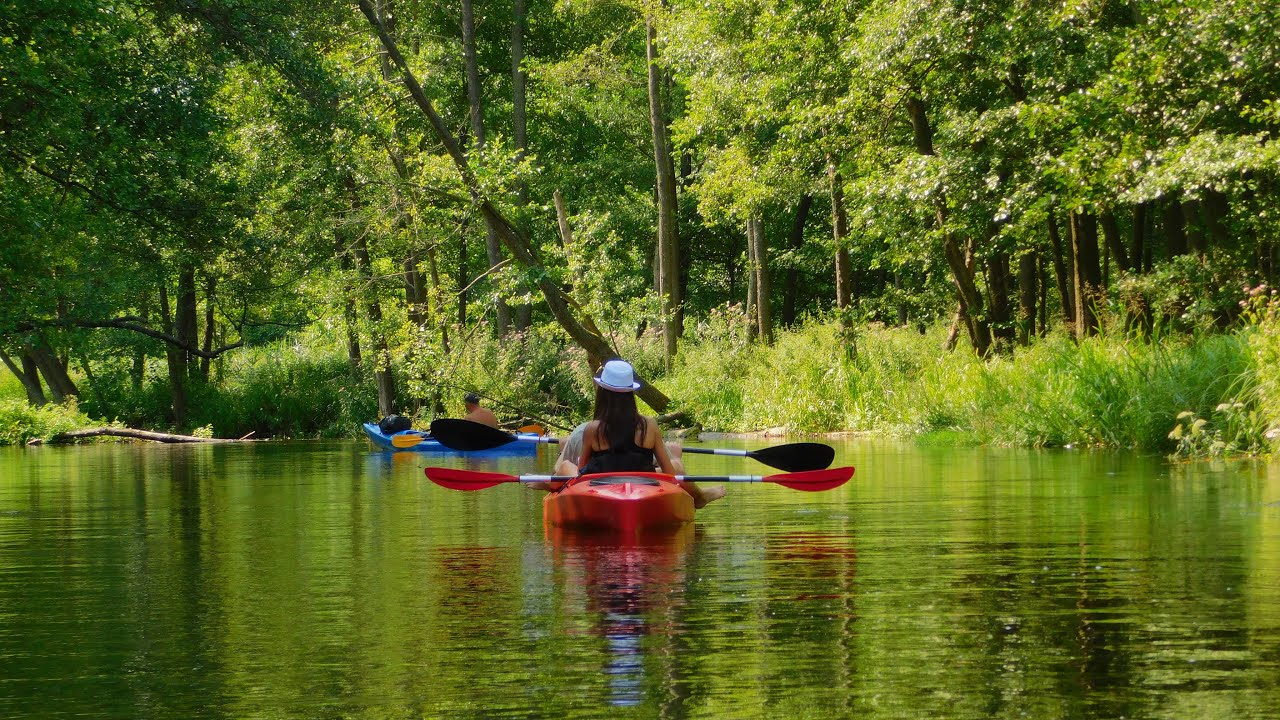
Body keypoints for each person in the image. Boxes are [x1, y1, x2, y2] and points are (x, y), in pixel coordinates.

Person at [562, 360, 724, 509]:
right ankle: (699, 496)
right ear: (631, 394)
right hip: (645, 481)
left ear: (603, 393)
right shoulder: (649, 425)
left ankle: (545, 484)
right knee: (676, 465)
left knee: (564, 466)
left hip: (601, 483)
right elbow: (669, 473)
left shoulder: (592, 429)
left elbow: (582, 471)